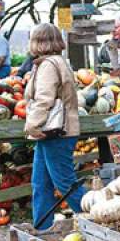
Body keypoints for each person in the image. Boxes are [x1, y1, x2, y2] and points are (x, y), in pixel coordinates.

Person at [24, 23, 85, 230]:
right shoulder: (53, 62)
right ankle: (41, 228)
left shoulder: (49, 65)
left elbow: (44, 100)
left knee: (65, 183)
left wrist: (32, 125)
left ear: (38, 41)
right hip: (52, 133)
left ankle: (99, 220)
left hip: (56, 132)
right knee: (40, 183)